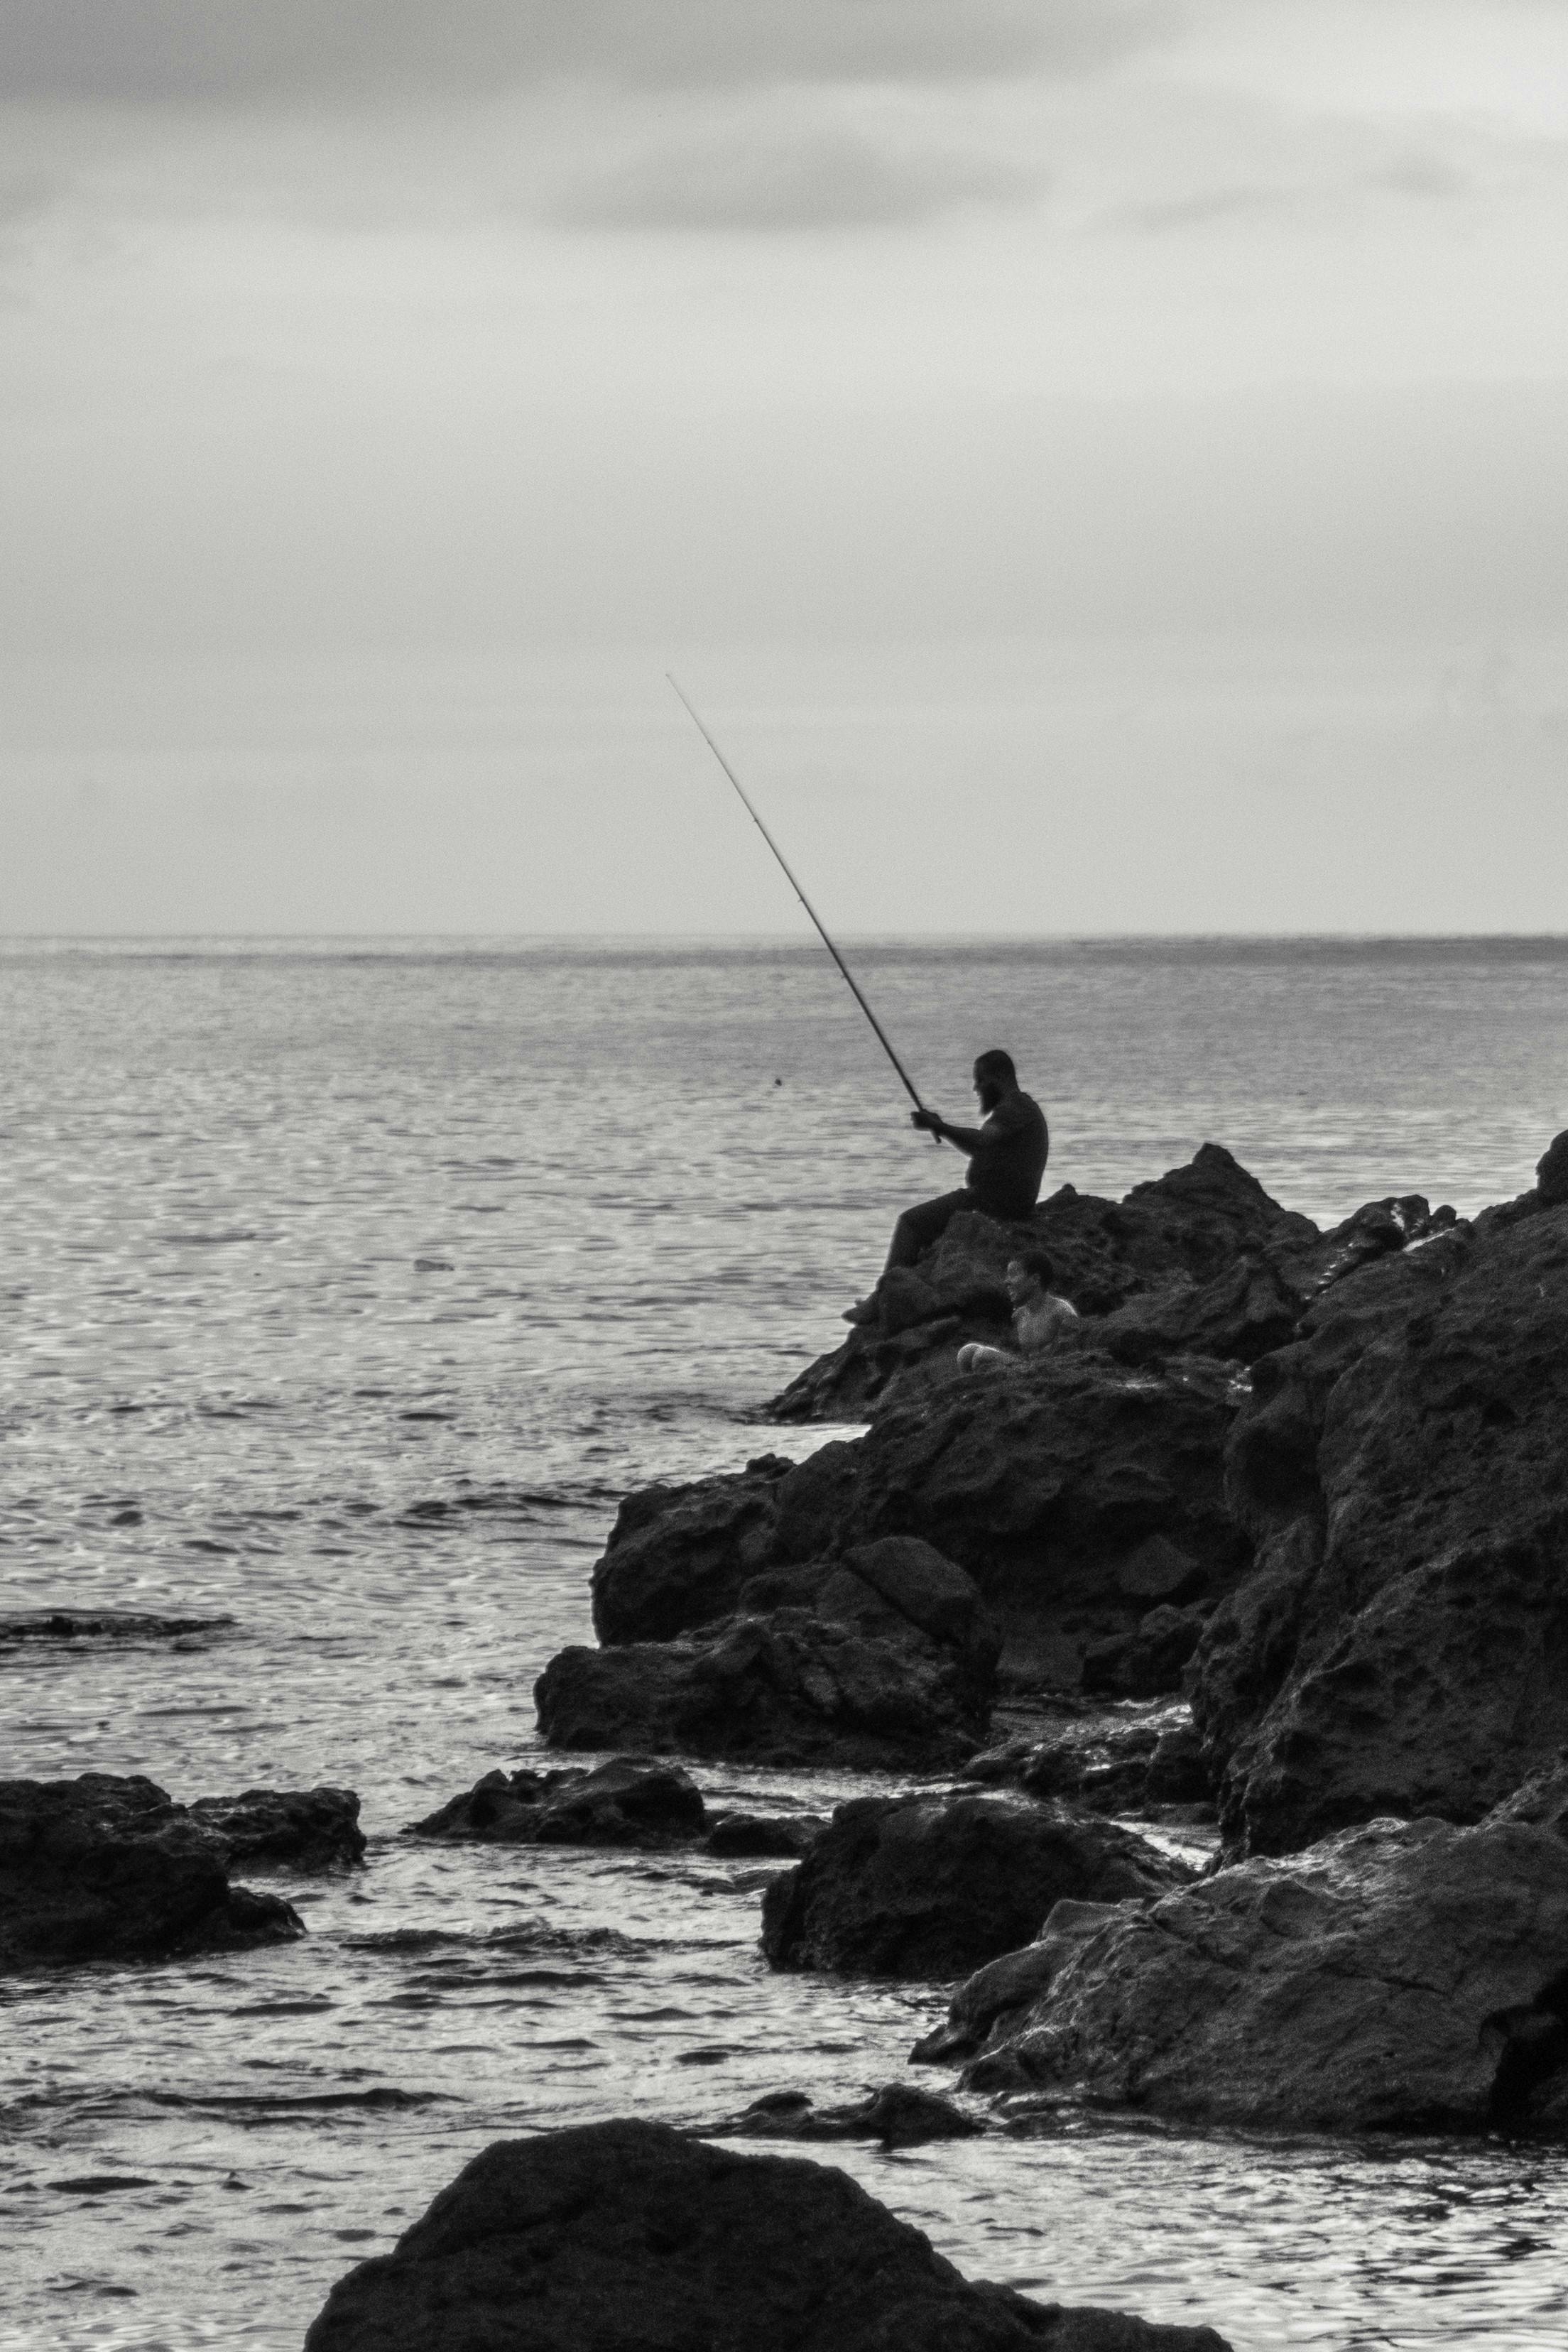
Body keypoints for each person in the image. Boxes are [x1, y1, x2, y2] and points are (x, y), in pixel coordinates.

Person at [844, 1047, 1050, 1322]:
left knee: (910, 1223)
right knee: (924, 1233)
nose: (976, 1087)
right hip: (1002, 1200)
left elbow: (981, 1140)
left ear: (999, 1077)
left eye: (981, 1079)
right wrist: (938, 1125)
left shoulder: (1015, 1107)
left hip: (993, 1202)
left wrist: (939, 1127)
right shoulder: (1017, 1110)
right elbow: (980, 1148)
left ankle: (879, 1303)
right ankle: (894, 1295)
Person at [957, 1248, 1079, 1373]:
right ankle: (971, 1391)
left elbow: (1077, 1350)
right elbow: (1022, 1356)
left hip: (1051, 1373)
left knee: (983, 1355)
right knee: (966, 1352)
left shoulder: (1061, 1311)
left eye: (1013, 1275)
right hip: (1026, 1371)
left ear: (1035, 1280)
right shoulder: (1019, 1316)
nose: (1007, 1281)